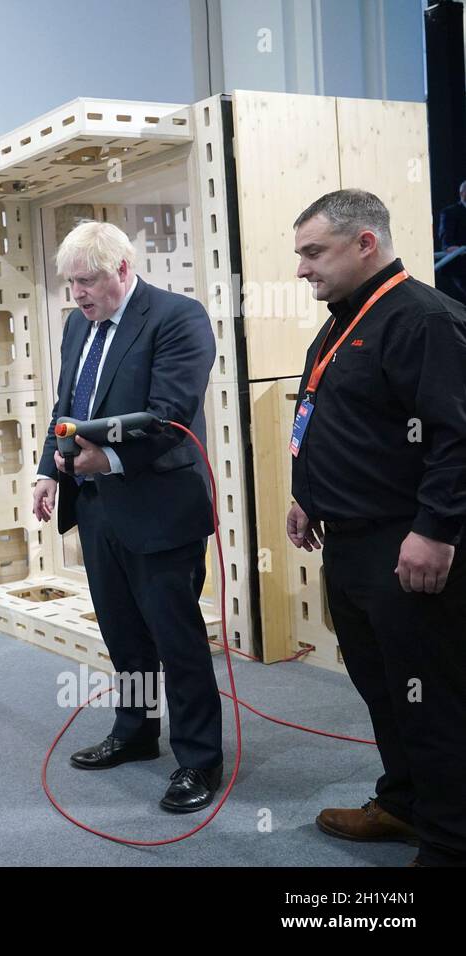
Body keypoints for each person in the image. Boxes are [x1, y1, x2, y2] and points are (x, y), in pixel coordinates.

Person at [287, 188, 466, 867]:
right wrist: (306, 494)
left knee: (432, 697)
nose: (302, 269)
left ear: (365, 243)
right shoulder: (341, 320)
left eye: (313, 253)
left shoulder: (422, 319)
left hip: (408, 545)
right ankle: (403, 803)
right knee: (385, 688)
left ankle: (451, 840)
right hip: (349, 542)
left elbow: (457, 438)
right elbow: (325, 416)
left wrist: (436, 532)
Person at [33, 221, 222, 812]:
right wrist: (48, 467)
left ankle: (198, 760)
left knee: (176, 639)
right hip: (96, 508)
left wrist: (108, 456)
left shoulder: (177, 317)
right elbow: (66, 407)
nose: (77, 295)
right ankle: (137, 731)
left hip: (160, 506)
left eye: (86, 281)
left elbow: (170, 413)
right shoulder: (75, 326)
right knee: (123, 636)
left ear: (121, 269)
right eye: (70, 284)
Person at [435, 179, 466, 306]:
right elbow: (446, 234)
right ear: (463, 193)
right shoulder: (451, 212)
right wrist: (449, 246)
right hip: (460, 264)